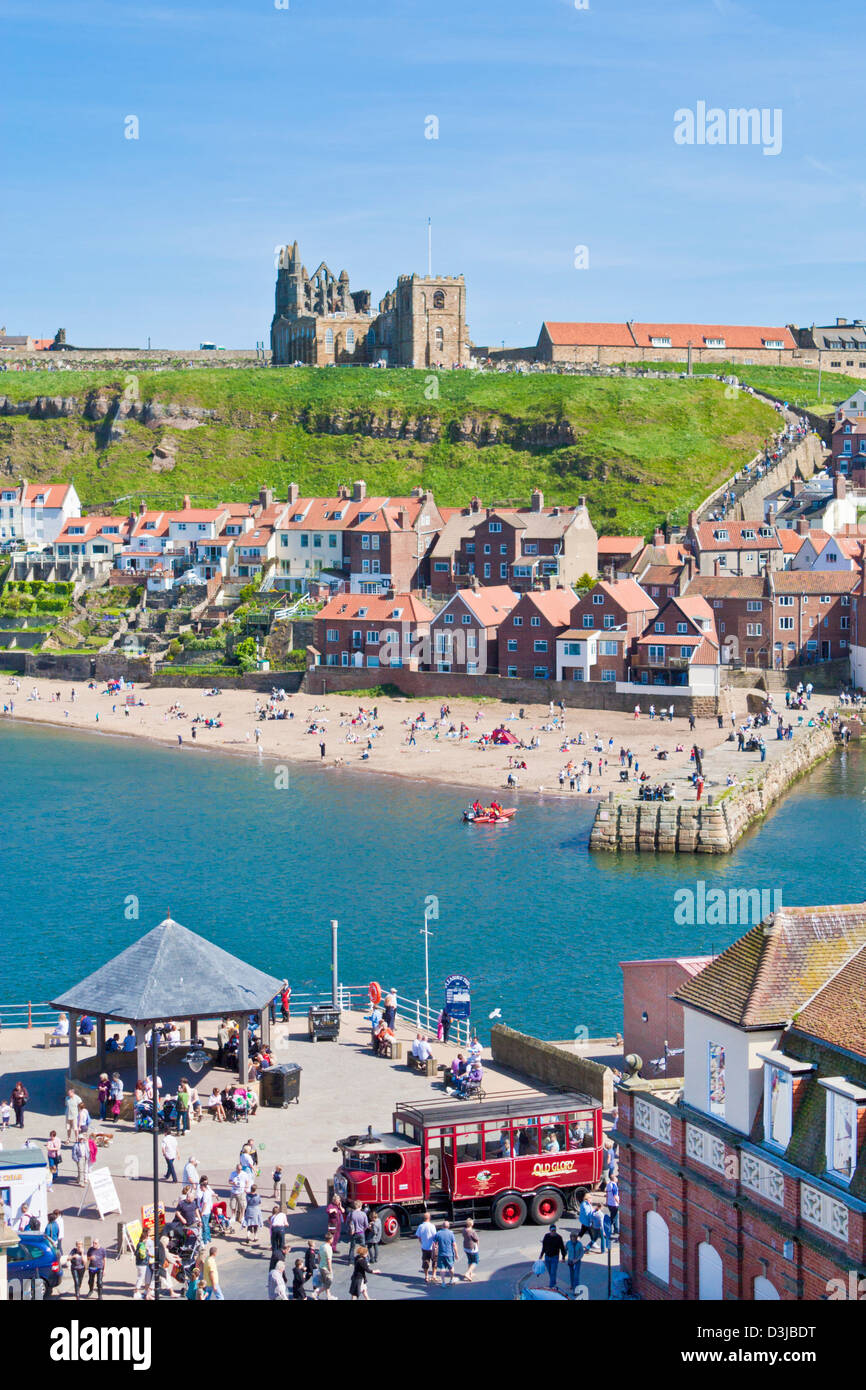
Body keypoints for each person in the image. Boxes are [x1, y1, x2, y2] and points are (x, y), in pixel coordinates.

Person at [540, 1223, 566, 1291]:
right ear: (550, 1230)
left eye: (554, 1230)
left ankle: (551, 1286)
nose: (553, 1232)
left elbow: (562, 1248)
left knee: (553, 1272)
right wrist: (541, 1255)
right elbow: (544, 1246)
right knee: (550, 1271)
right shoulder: (546, 1236)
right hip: (547, 1257)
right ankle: (553, 1282)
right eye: (552, 1230)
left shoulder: (559, 1237)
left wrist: (563, 1257)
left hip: (555, 1257)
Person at [416, 1211, 438, 1283]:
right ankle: (434, 1275)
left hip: (424, 1247)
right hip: (432, 1247)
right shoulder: (432, 1226)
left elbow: (418, 1236)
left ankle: (426, 1276)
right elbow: (435, 1237)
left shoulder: (420, 1226)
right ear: (429, 1218)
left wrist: (422, 1242)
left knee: (425, 1262)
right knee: (434, 1261)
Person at [434, 1220, 458, 1284]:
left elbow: (435, 1244)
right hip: (449, 1254)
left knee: (442, 1268)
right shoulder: (451, 1233)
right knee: (451, 1267)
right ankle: (451, 1279)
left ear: (442, 1226)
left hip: (441, 1254)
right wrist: (456, 1254)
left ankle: (443, 1283)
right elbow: (454, 1245)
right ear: (448, 1226)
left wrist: (434, 1252)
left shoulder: (438, 1233)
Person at [316, 1231, 336, 1300]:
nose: (333, 1239)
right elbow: (329, 1260)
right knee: (328, 1283)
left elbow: (318, 1256)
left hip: (321, 1267)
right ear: (330, 1239)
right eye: (332, 1238)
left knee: (325, 1283)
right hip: (326, 1268)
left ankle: (329, 1297)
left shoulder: (322, 1246)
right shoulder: (329, 1248)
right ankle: (316, 1293)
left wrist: (320, 1264)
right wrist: (330, 1270)